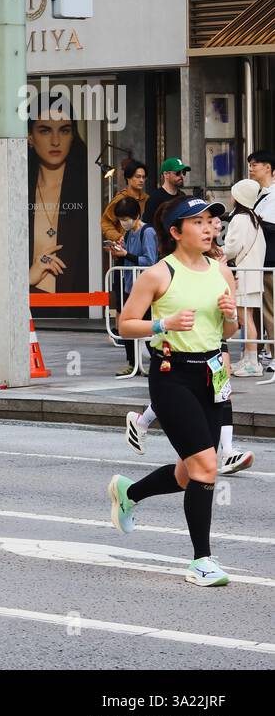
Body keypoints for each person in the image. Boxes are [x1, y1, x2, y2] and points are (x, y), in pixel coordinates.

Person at [108, 196, 241, 587]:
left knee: (189, 471)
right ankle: (201, 560)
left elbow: (226, 332)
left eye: (210, 222)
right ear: (175, 231)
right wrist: (162, 324)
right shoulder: (158, 274)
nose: (208, 228)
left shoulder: (221, 271)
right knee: (206, 468)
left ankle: (129, 492)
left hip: (211, 374)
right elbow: (126, 323)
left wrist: (231, 316)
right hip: (172, 376)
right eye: (197, 222)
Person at [28, 111, 88, 294]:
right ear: (30, 137)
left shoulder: (89, 190)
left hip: (78, 305)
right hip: (28, 300)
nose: (55, 141)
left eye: (64, 130)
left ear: (72, 136)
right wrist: (26, 277)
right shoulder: (17, 192)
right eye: (45, 131)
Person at [109, 195, 159, 376]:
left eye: (126, 219)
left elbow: (150, 260)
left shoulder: (148, 232)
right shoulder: (129, 233)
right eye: (121, 220)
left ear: (137, 215)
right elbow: (128, 256)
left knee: (146, 327)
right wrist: (119, 252)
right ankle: (132, 363)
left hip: (145, 289)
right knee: (127, 326)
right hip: (130, 285)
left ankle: (155, 363)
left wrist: (126, 254)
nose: (124, 223)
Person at [222, 179, 266, 377]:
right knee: (246, 317)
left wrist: (218, 252)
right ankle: (249, 359)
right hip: (252, 273)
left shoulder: (240, 219)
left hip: (244, 274)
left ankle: (252, 361)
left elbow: (232, 248)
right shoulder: (253, 217)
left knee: (244, 317)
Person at [248, 151, 275, 370]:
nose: (251, 168)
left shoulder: (273, 194)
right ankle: (266, 352)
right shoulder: (260, 194)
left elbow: (270, 228)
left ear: (268, 167)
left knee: (270, 310)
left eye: (255, 164)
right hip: (261, 262)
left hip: (270, 262)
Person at [100, 158, 148, 246]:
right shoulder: (120, 199)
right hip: (125, 248)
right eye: (137, 177)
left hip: (145, 247)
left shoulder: (147, 199)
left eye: (143, 177)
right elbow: (105, 222)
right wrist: (118, 237)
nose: (141, 180)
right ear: (128, 178)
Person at [143, 157, 190, 229]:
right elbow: (148, 228)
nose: (182, 176)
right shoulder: (154, 198)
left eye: (183, 172)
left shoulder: (182, 196)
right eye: (177, 173)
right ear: (166, 174)